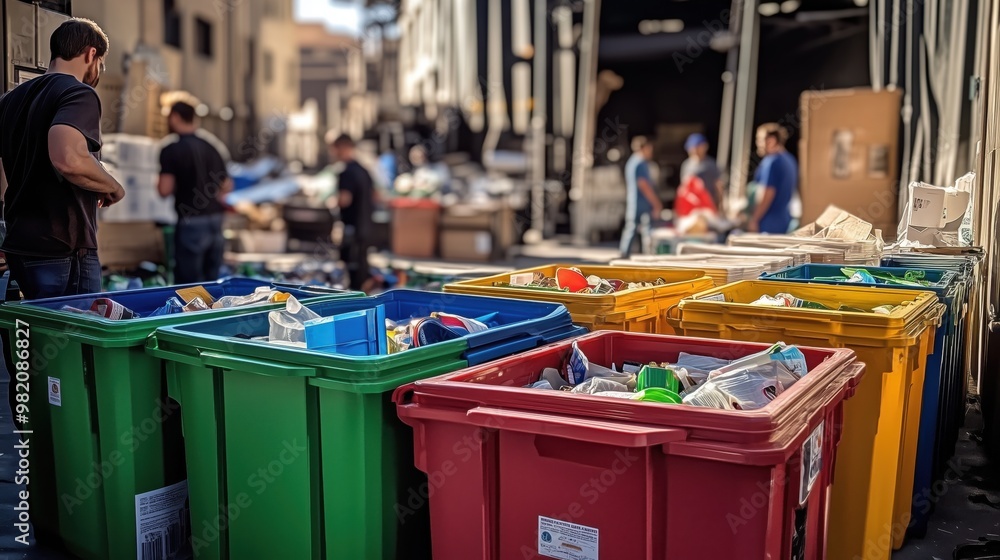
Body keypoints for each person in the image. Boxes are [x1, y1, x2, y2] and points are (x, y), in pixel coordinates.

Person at [0, 18, 123, 300]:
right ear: (91, 54)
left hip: (20, 247)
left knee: (31, 340)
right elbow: (68, 158)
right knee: (75, 340)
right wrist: (113, 185)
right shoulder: (78, 93)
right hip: (63, 248)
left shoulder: (10, 100)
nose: (98, 71)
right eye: (101, 63)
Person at [158, 100, 232, 283]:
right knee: (212, 281)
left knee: (189, 286)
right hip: (215, 219)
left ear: (175, 117)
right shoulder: (212, 147)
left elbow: (164, 189)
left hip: (191, 221)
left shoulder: (171, 149)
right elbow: (227, 186)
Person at [329, 134, 376, 292]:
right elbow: (376, 195)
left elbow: (345, 200)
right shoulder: (364, 170)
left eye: (334, 148)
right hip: (366, 226)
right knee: (362, 265)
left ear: (342, 147)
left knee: (351, 269)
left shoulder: (346, 172)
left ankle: (353, 301)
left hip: (351, 228)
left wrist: (331, 202)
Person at [749, 123, 798, 234]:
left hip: (768, 223)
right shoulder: (790, 160)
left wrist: (755, 220)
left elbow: (767, 193)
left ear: (771, 141)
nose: (758, 144)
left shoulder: (772, 162)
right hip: (783, 221)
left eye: (760, 139)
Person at [619, 136, 662, 258]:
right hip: (642, 202)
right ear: (645, 148)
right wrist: (656, 202)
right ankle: (648, 255)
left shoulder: (632, 161)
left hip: (634, 201)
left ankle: (624, 252)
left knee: (631, 228)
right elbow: (644, 185)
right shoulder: (641, 163)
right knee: (647, 229)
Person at [680, 133, 723, 208]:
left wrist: (720, 204)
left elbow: (718, 185)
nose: (694, 150)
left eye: (697, 147)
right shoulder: (686, 165)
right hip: (692, 206)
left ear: (705, 147)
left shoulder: (710, 164)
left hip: (709, 204)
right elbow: (684, 187)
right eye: (692, 148)